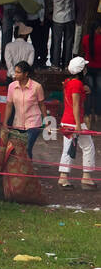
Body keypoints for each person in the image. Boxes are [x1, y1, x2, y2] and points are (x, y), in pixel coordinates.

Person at [60, 56, 96, 189]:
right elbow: (76, 105)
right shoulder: (77, 84)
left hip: (67, 120)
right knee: (88, 147)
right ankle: (86, 177)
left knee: (68, 149)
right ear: (82, 70)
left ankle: (63, 177)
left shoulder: (68, 82)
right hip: (74, 121)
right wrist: (78, 125)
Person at [3, 61, 46, 158]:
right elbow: (9, 105)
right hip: (17, 123)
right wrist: (5, 122)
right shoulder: (12, 86)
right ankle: (23, 170)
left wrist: (46, 120)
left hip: (33, 123)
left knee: (27, 148)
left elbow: (42, 105)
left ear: (26, 74)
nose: (15, 74)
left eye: (18, 72)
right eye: (15, 72)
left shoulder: (37, 87)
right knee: (18, 149)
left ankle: (27, 171)